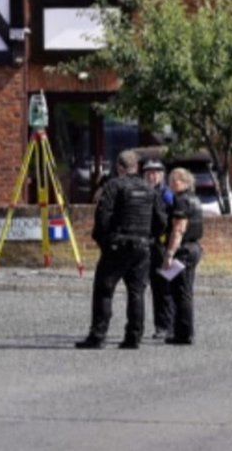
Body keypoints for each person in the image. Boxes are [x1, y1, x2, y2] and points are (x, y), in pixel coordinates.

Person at [76, 150, 167, 350]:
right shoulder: (150, 189)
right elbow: (161, 221)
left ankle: (98, 335)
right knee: (137, 292)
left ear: (119, 167)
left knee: (104, 289)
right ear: (138, 168)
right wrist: (149, 238)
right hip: (142, 246)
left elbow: (102, 217)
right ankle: (133, 337)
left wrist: (104, 241)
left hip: (118, 244)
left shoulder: (114, 186)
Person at [164, 167, 204, 345]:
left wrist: (169, 253)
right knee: (177, 288)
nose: (173, 182)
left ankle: (184, 333)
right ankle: (179, 330)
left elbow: (178, 229)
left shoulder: (181, 201)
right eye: (171, 179)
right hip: (194, 247)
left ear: (186, 182)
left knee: (182, 292)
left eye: (177, 180)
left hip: (184, 251)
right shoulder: (194, 199)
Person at [141, 158, 175, 339]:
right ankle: (161, 325)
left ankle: (167, 325)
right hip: (147, 246)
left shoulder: (167, 195)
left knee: (164, 286)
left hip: (162, 246)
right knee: (152, 287)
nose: (151, 176)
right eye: (148, 173)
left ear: (162, 175)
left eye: (155, 173)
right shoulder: (143, 192)